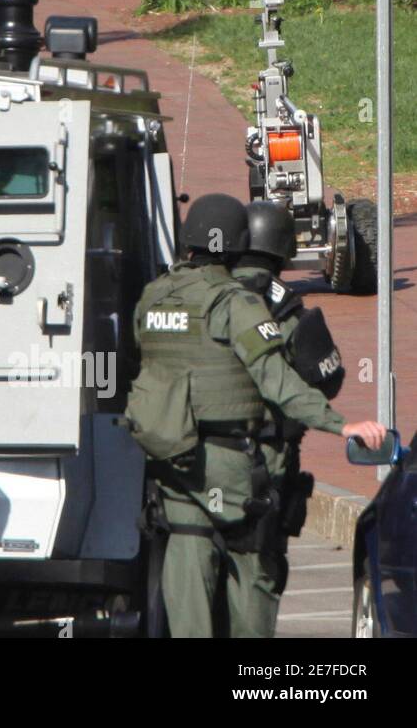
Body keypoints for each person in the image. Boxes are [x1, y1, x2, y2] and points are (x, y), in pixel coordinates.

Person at [128, 193, 384, 638]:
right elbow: (278, 381)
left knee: (188, 607)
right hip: (242, 475)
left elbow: (136, 369)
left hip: (174, 473)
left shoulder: (151, 299)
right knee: (252, 593)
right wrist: (342, 423)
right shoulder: (241, 303)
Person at [232, 200, 346, 606]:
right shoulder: (285, 307)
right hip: (269, 459)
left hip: (203, 460)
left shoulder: (210, 295)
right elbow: (329, 380)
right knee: (262, 571)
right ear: (283, 249)